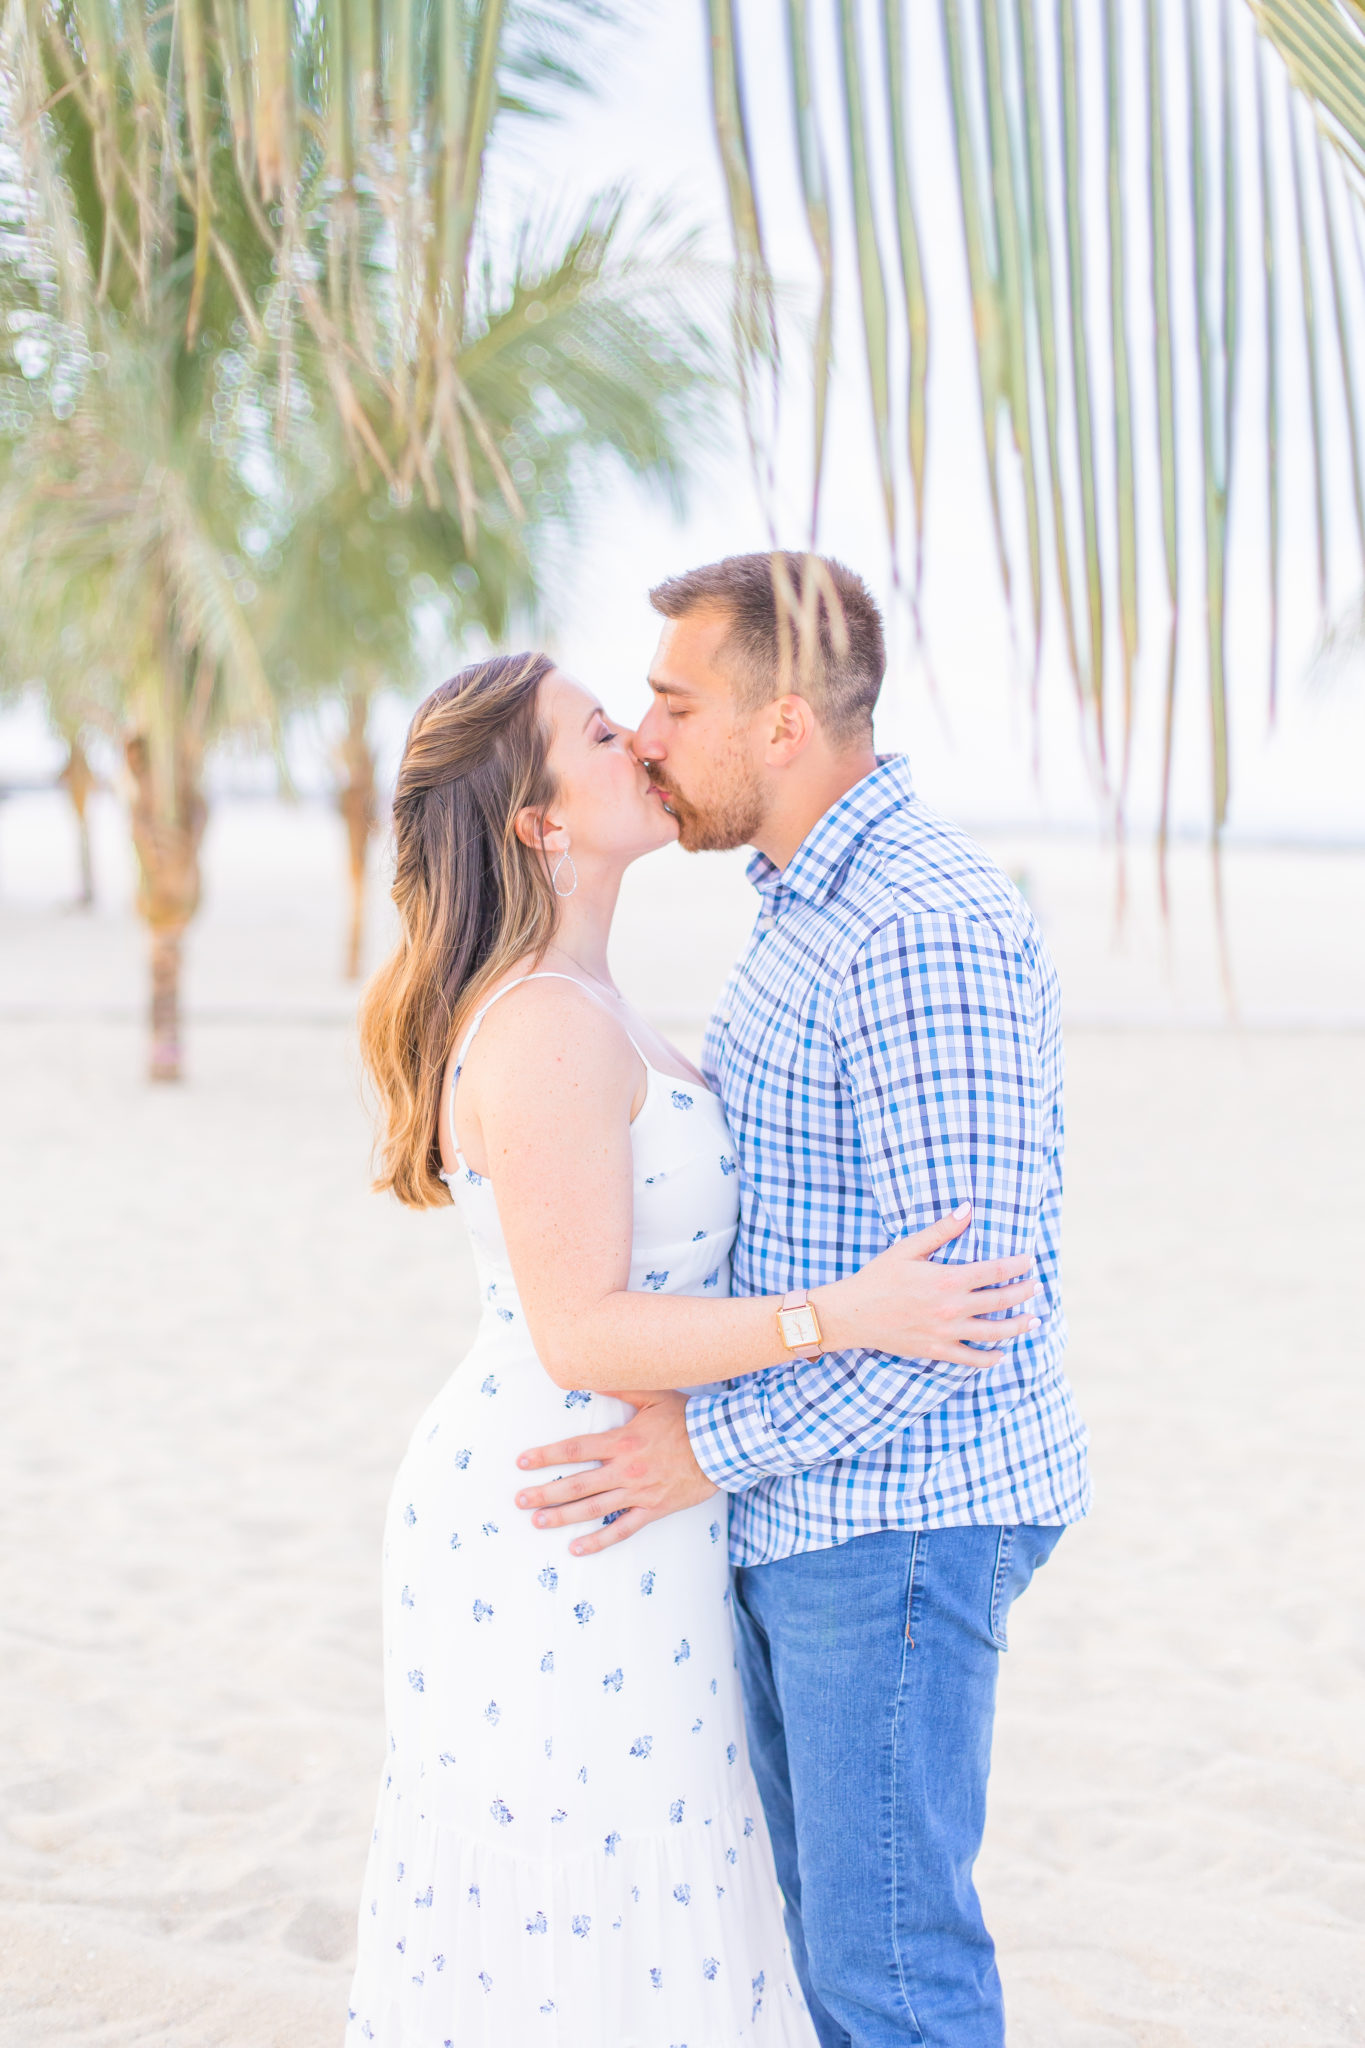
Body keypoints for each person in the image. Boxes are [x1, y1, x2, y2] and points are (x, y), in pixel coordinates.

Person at [345, 646, 1046, 2047]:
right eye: (605, 734)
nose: (644, 744)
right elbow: (580, 1328)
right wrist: (839, 1316)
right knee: (581, 1903)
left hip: (644, 1492)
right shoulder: (545, 1023)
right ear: (538, 822)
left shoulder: (594, 993)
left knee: (659, 1891)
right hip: (567, 1505)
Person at [513, 554, 1091, 2048]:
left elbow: (963, 1315)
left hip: (898, 1522)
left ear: (781, 725)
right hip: (812, 1507)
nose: (645, 734)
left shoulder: (913, 926)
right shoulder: (801, 903)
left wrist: (704, 1448)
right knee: (834, 1962)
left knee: (890, 1978)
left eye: (673, 701)